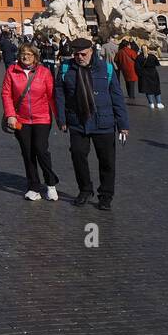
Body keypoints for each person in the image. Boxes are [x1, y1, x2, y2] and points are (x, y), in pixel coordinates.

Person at [55, 38, 129, 210]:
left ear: (92, 52)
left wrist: (123, 124)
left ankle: (106, 195)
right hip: (77, 121)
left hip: (104, 121)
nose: (79, 57)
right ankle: (85, 189)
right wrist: (61, 119)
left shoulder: (107, 68)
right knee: (78, 155)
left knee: (107, 161)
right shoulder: (66, 68)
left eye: (83, 54)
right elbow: (59, 95)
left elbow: (117, 97)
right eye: (76, 54)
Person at [2, 42, 60, 201]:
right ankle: (33, 186)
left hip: (42, 117)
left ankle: (50, 183)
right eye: (22, 53)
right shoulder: (11, 71)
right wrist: (10, 115)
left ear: (35, 56)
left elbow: (51, 96)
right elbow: (6, 94)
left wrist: (60, 118)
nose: (25, 56)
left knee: (41, 150)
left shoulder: (44, 72)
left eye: (29, 54)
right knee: (27, 153)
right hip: (21, 118)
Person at [137, 43, 164, 109]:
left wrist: (140, 74)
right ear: (148, 49)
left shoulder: (139, 57)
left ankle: (151, 103)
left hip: (144, 75)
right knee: (156, 88)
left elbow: (137, 67)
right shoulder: (152, 56)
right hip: (153, 73)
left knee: (148, 89)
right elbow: (157, 64)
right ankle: (159, 103)